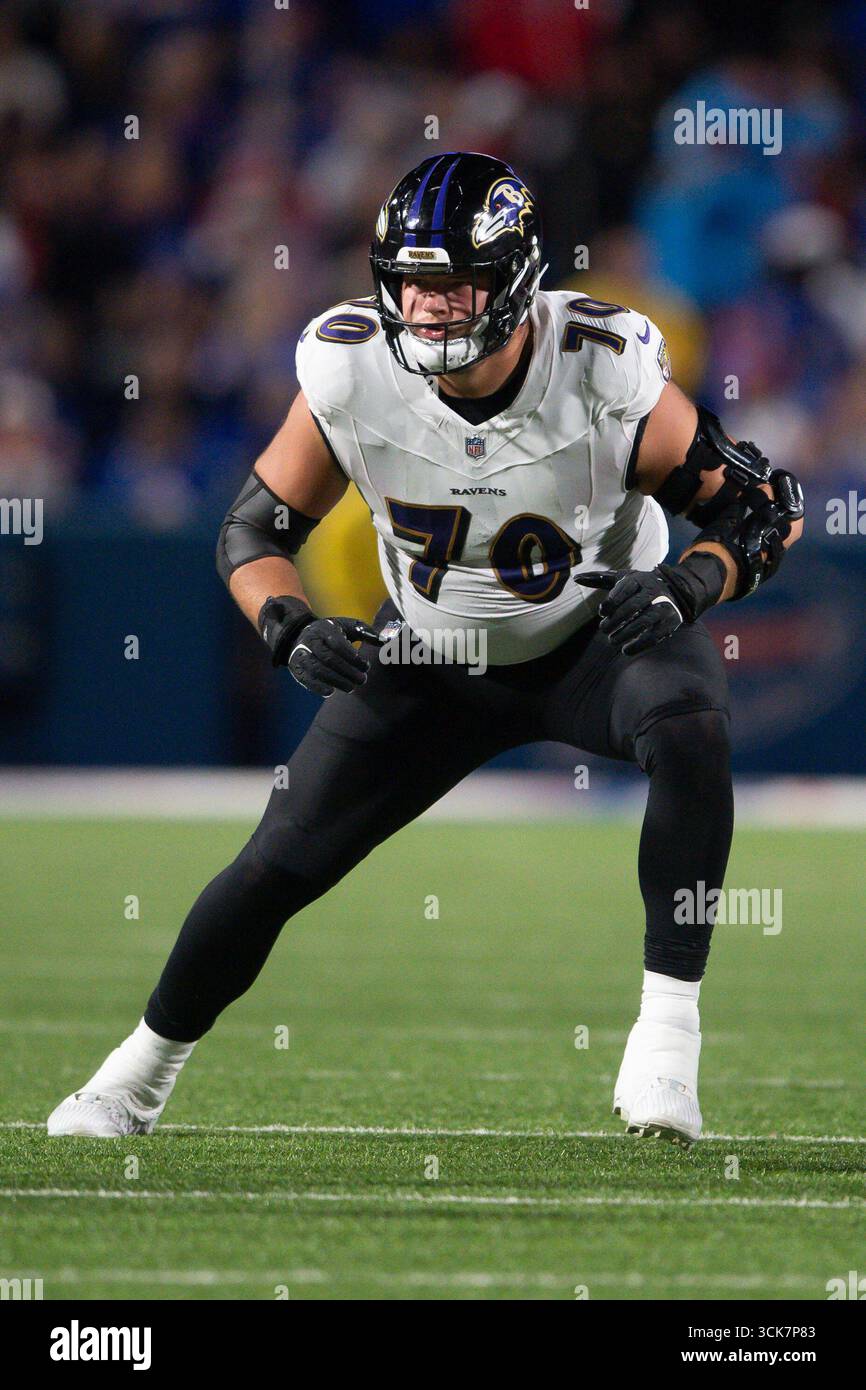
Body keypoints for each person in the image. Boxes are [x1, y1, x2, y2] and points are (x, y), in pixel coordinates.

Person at [48, 152, 803, 1146]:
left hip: (594, 643)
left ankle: (666, 1039)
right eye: (410, 284)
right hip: (431, 657)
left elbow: (762, 509)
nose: (428, 308)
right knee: (275, 864)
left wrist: (681, 586)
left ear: (513, 282)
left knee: (689, 722)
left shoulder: (600, 364)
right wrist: (289, 623)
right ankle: (132, 1074)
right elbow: (252, 532)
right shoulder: (349, 365)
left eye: (450, 286)